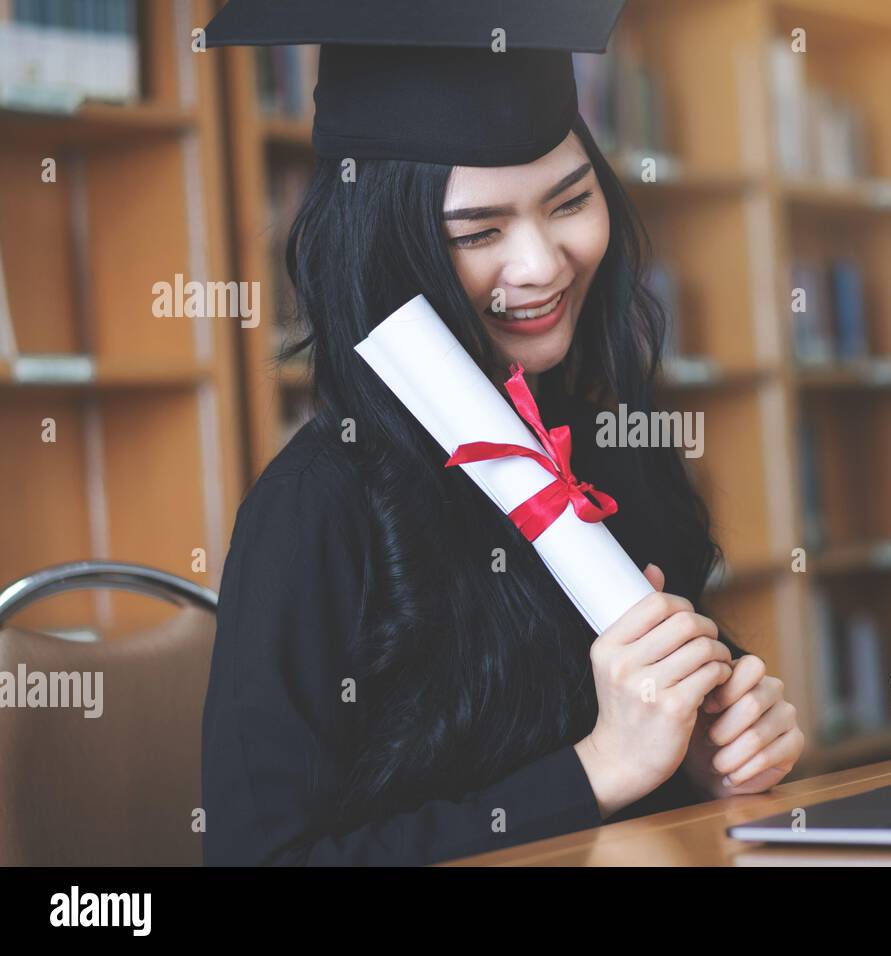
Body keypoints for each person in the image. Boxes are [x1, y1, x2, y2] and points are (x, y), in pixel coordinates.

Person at [199, 0, 804, 866]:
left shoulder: (609, 446)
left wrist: (718, 744)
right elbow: (264, 860)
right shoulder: (313, 512)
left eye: (570, 202)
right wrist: (595, 771)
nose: (542, 264)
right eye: (479, 231)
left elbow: (650, 762)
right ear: (387, 250)